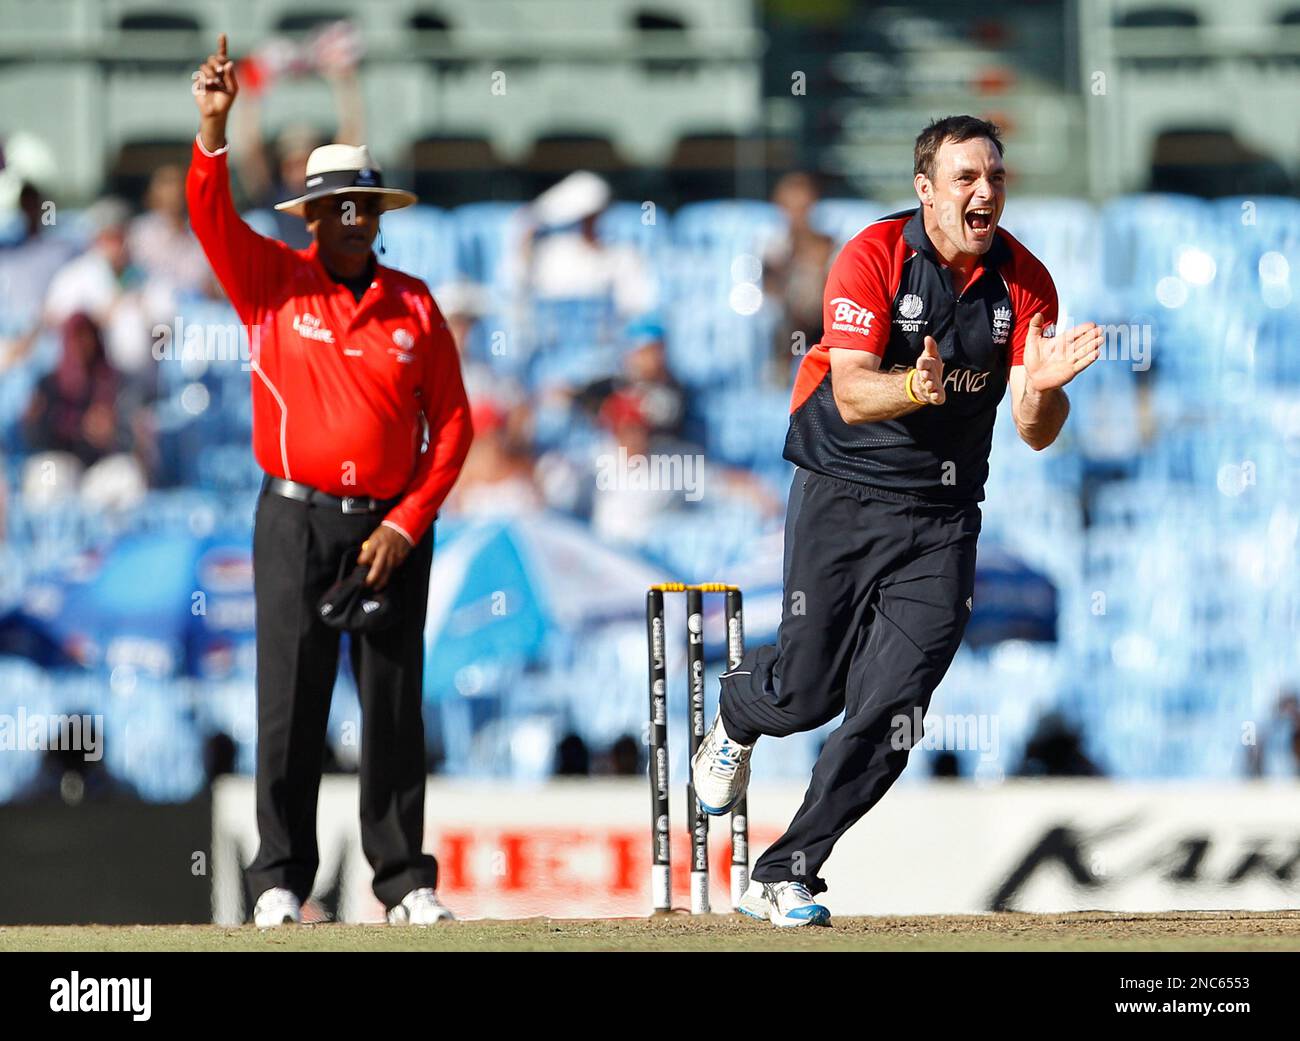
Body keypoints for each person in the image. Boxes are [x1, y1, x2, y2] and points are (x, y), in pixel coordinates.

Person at [690, 116, 1104, 927]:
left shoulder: (1027, 280)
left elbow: (1032, 427)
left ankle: (786, 871)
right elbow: (849, 392)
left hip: (945, 514)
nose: (985, 192)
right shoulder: (873, 254)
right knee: (808, 691)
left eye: (995, 175)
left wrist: (1047, 385)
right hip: (843, 490)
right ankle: (740, 708)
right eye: (966, 178)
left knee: (895, 709)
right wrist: (917, 387)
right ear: (927, 189)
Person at [187, 35, 473, 928]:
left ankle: (403, 883)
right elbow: (208, 219)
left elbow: (455, 426)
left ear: (378, 216)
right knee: (292, 703)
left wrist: (408, 522)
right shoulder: (271, 282)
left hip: (389, 525)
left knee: (392, 704)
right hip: (295, 519)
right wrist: (214, 125)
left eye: (362, 204)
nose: (349, 217)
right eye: (333, 205)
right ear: (309, 218)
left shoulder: (417, 304)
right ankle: (279, 880)